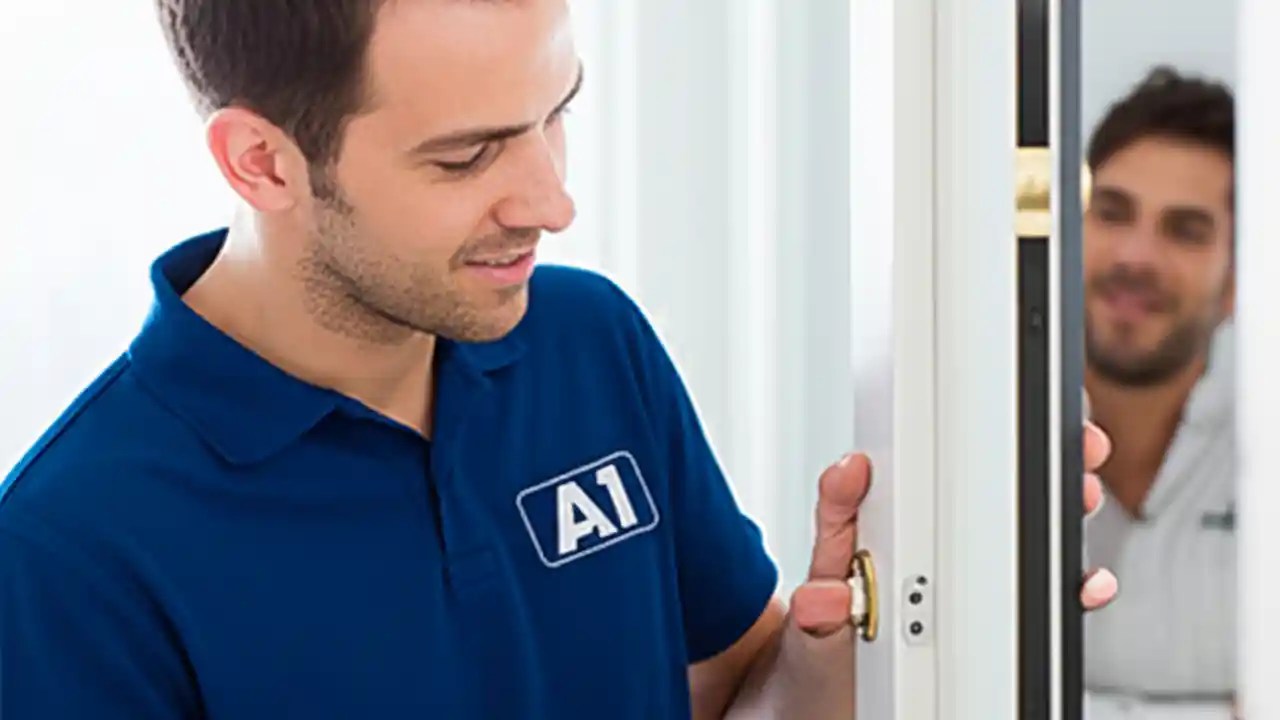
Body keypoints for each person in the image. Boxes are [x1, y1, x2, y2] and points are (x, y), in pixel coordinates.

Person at [0, 2, 1114, 718]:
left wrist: (880, 617)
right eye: (467, 155)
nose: (552, 200)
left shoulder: (586, 343)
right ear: (262, 163)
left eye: (554, 114)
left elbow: (728, 700)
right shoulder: (69, 552)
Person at [1080, 67, 1237, 719]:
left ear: (1237, 280)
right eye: (1112, 213)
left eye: (1185, 230)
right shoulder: (942, 429)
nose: (1136, 255)